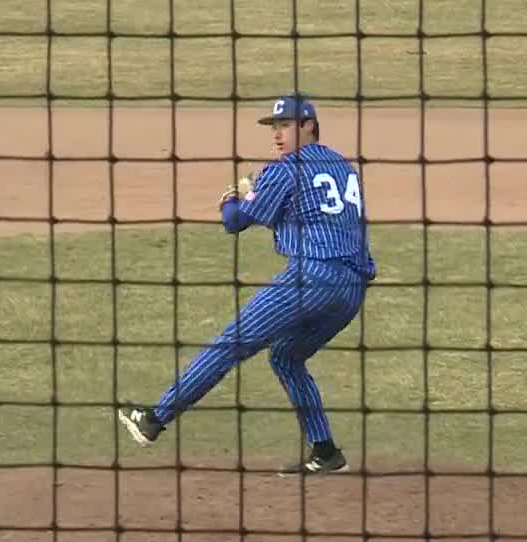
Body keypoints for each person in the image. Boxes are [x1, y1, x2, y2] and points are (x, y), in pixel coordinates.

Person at [119, 94, 376, 476]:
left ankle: (154, 419)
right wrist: (256, 192)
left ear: (308, 125)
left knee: (231, 342)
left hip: (311, 279)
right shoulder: (342, 166)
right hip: (351, 288)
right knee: (286, 356)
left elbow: (234, 222)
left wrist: (231, 197)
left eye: (285, 125)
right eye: (275, 127)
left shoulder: (286, 169)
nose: (277, 134)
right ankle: (325, 452)